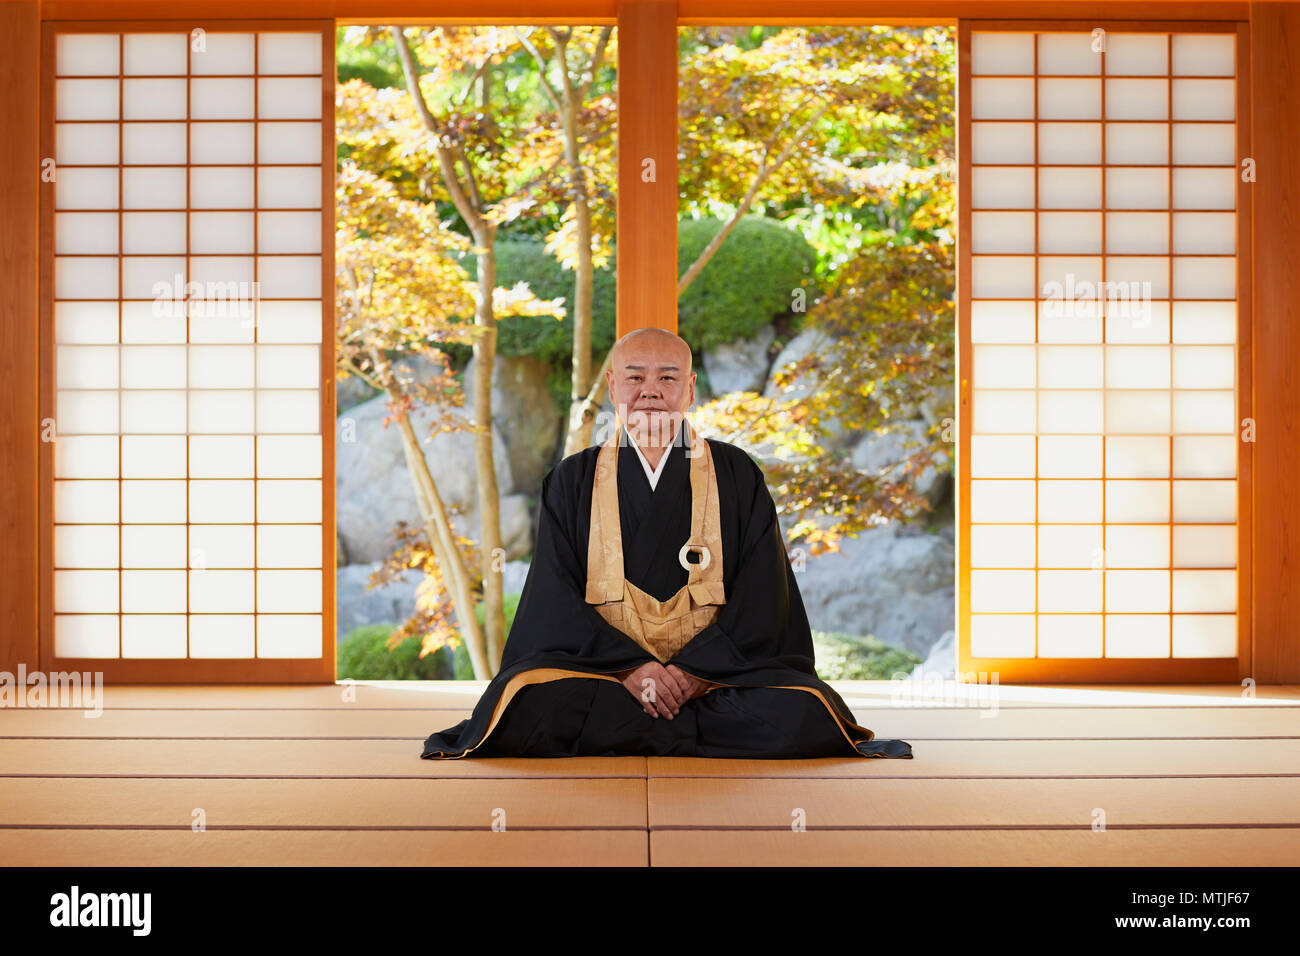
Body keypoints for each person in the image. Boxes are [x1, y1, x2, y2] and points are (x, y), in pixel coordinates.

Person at [421, 327, 912, 759]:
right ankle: (685, 728)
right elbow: (554, 595)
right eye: (635, 377)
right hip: (610, 677)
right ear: (613, 385)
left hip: (713, 678)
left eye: (667, 378)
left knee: (801, 707)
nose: (650, 392)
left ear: (691, 389)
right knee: (530, 702)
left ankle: (634, 728)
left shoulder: (736, 473)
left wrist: (695, 674)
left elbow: (764, 592)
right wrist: (632, 670)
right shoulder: (572, 478)